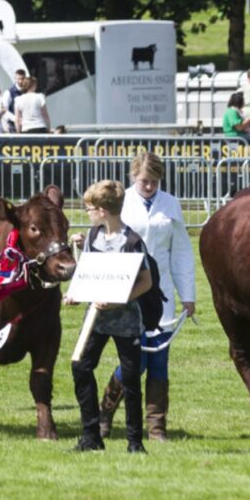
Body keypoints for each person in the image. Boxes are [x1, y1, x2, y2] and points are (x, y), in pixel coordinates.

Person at [109, 152, 194, 442]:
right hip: (130, 292)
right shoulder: (122, 203)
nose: (149, 187)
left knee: (159, 360)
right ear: (134, 177)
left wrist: (188, 295)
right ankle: (105, 412)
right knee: (137, 361)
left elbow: (181, 250)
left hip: (162, 294)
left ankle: (157, 427)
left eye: (155, 181)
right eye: (145, 181)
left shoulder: (170, 204)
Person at [69, 179, 157, 454]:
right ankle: (90, 435)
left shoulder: (132, 241)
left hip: (126, 322)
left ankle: (135, 441)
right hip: (96, 319)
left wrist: (121, 298)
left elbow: (146, 282)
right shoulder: (93, 235)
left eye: (89, 208)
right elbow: (87, 271)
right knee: (80, 367)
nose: (87, 213)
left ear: (103, 210)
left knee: (130, 380)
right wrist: (75, 293)